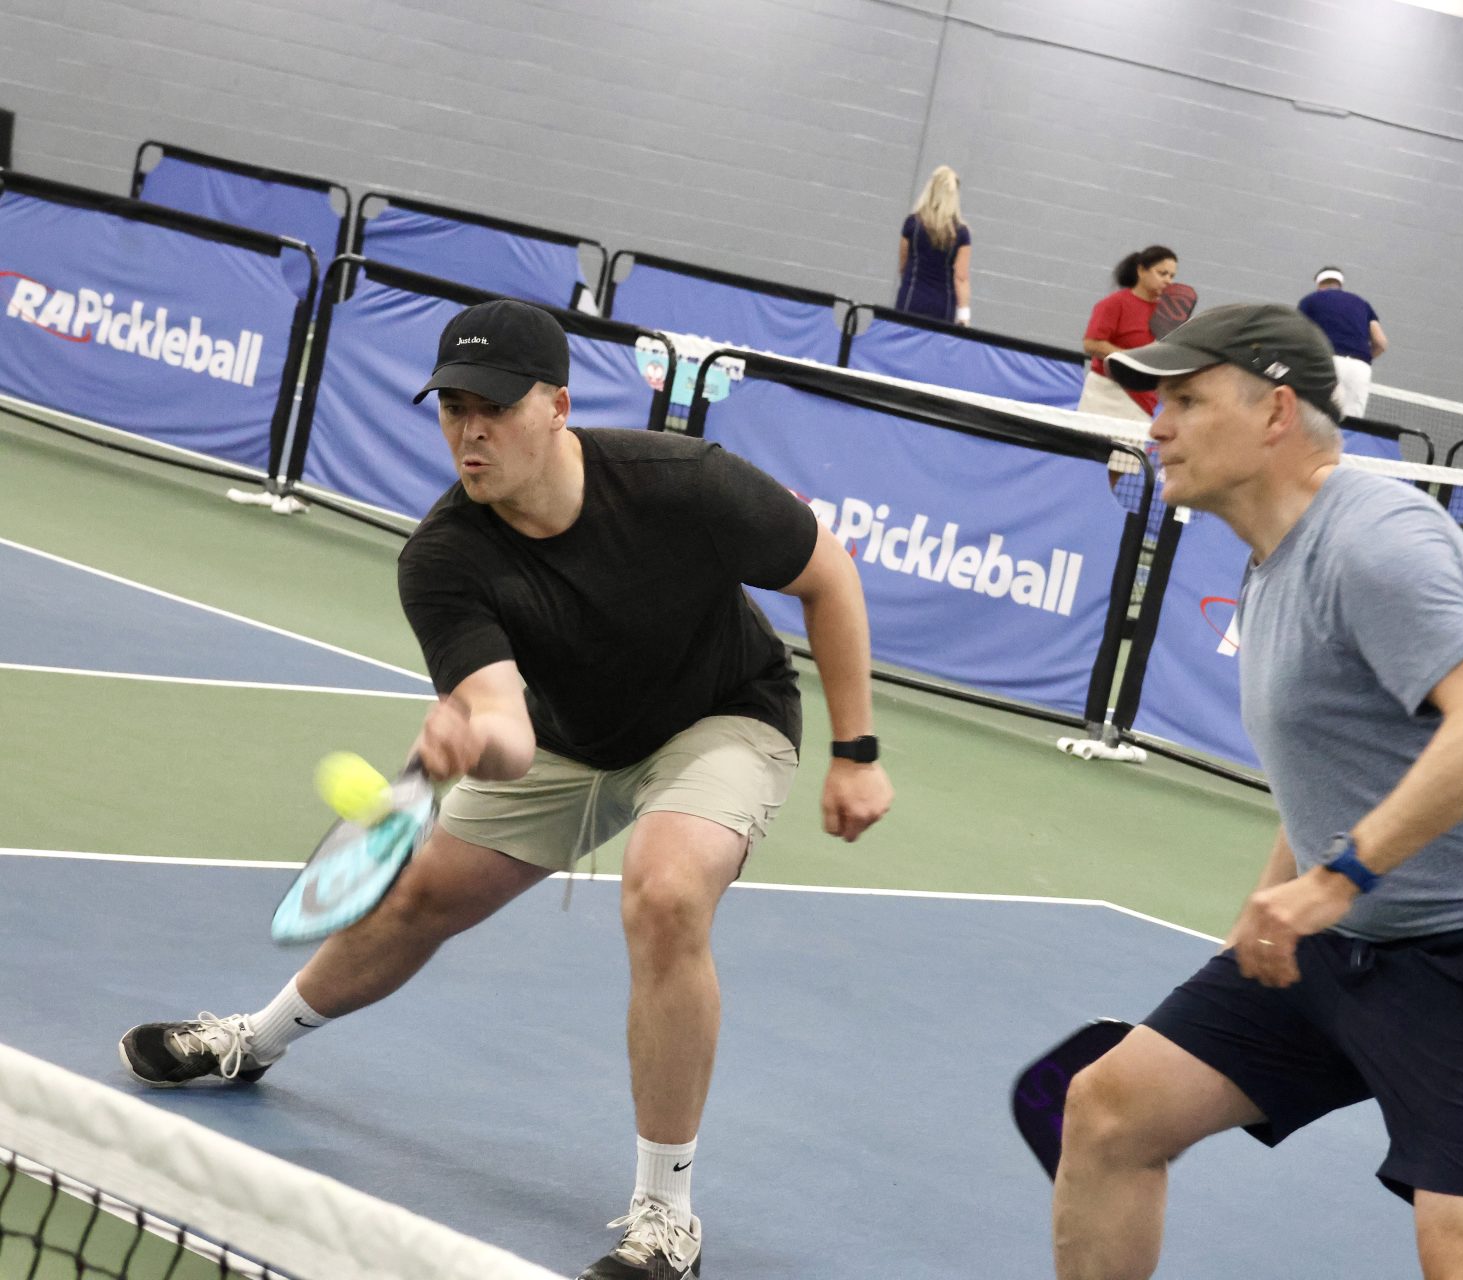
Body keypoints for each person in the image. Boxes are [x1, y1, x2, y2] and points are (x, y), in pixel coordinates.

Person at [117, 299, 895, 1280]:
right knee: (418, 897)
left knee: (663, 890)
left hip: (719, 713)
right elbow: (509, 732)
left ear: (558, 404)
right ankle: (254, 1040)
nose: (468, 430)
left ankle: (666, 1218)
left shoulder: (681, 484)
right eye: (451, 406)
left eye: (491, 405)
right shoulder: (444, 556)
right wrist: (469, 742)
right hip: (565, 737)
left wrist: (857, 749)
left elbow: (831, 577)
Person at [1054, 304, 1463, 1280]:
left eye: (1186, 399)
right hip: (1345, 936)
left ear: (1276, 413)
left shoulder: (1376, 538)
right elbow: (1334, 761)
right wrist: (1262, 916)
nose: (1156, 423)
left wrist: (1334, 879)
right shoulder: (1272, 564)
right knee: (1111, 1110)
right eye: (1158, 401)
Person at [1079, 245, 1179, 422]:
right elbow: (1092, 343)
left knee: (1131, 450)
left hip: (1143, 398)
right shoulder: (1113, 304)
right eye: (1162, 273)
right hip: (1105, 391)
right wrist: (1132, 358)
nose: (1168, 281)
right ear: (1141, 270)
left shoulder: (1167, 313)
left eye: (1171, 276)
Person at [1295, 266, 1386, 418]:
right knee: (1352, 423)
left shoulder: (1310, 300)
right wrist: (1364, 358)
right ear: (1340, 284)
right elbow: (1381, 342)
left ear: (1319, 284)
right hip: (1359, 369)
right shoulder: (1362, 304)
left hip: (1327, 363)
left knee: (1316, 418)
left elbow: (1299, 335)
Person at [895, 164, 972, 326]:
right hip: (942, 306)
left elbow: (903, 266)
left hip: (911, 299)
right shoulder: (961, 233)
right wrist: (964, 314)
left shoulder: (912, 224)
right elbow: (961, 277)